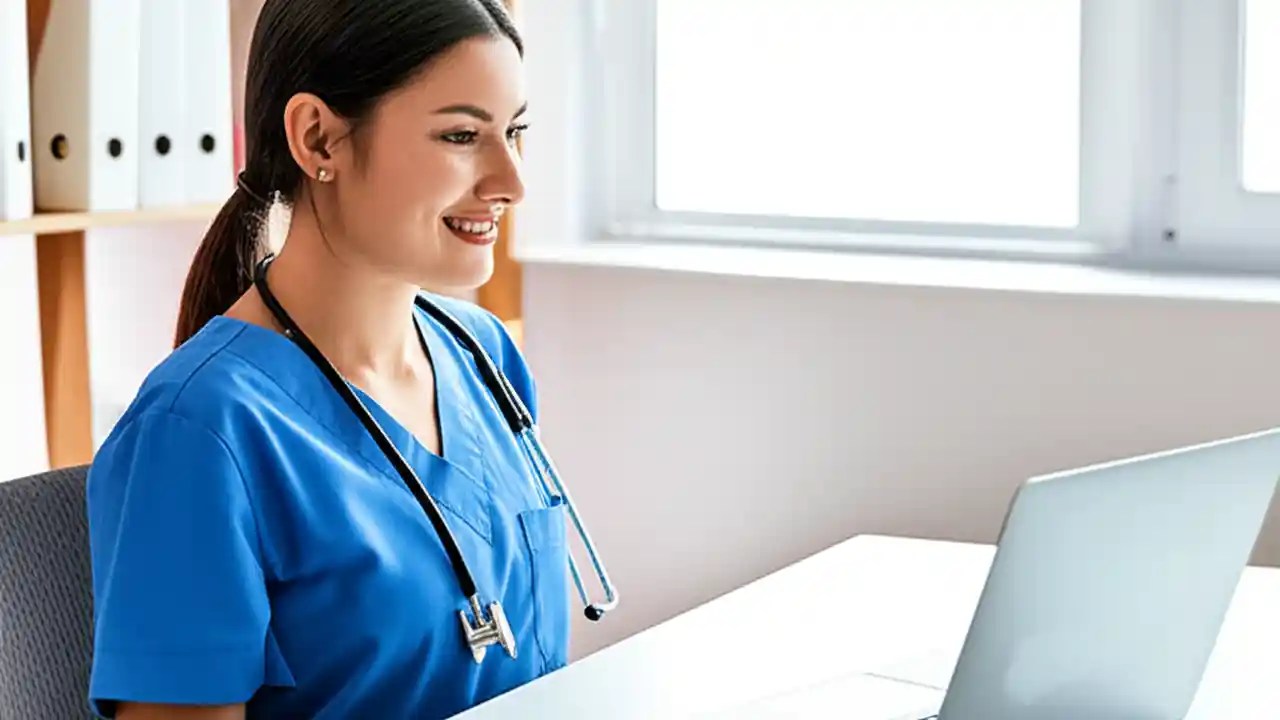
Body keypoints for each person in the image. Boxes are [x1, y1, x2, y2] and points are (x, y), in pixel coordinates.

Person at [83, 1, 570, 718]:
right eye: (463, 135)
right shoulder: (197, 433)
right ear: (319, 140)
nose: (512, 181)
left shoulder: (482, 351)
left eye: (516, 131)